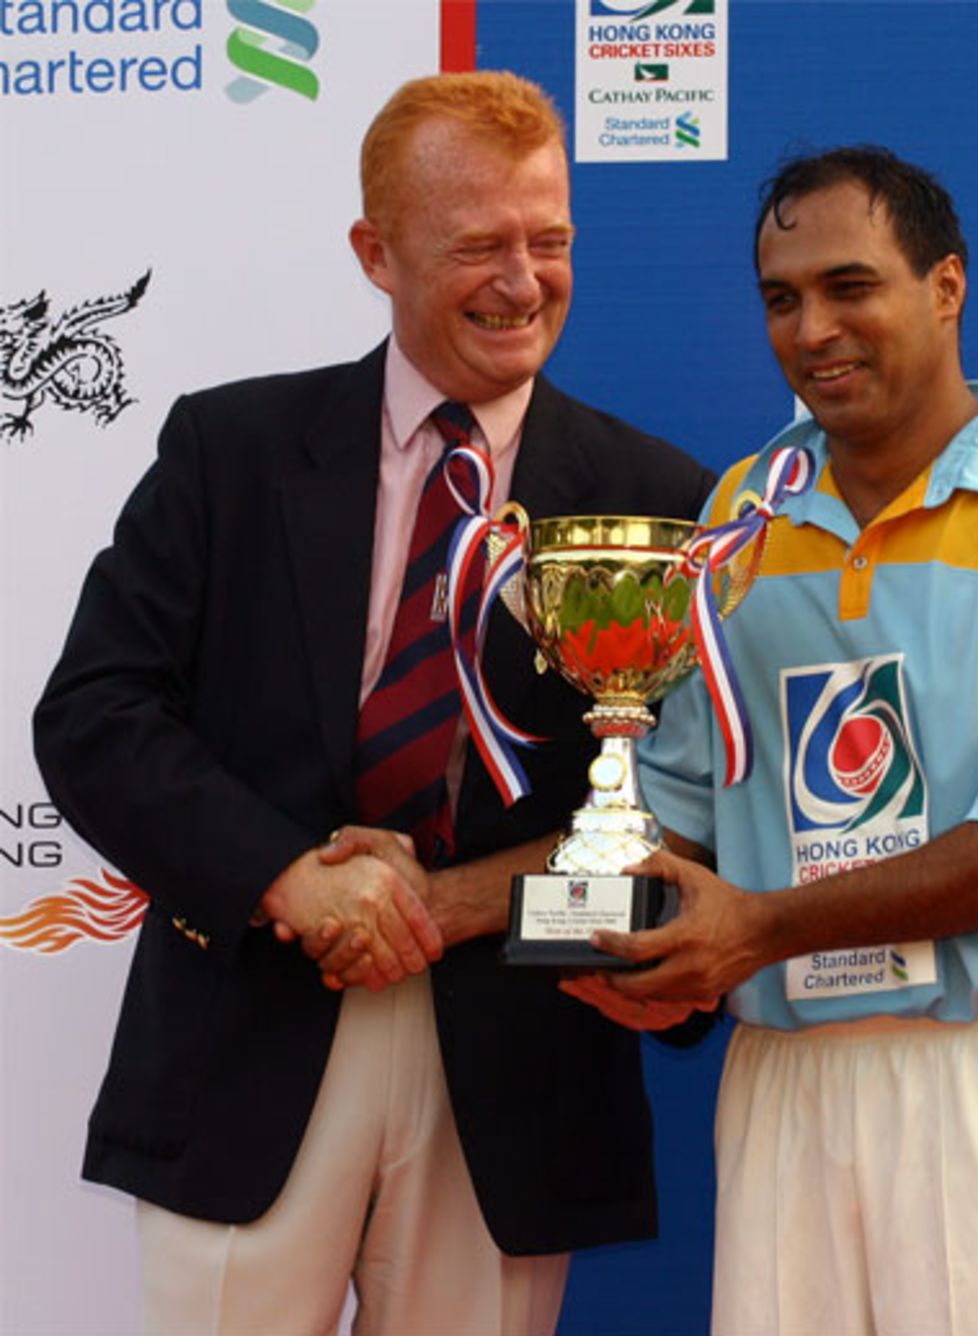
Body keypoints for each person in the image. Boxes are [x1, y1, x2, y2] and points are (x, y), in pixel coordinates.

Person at [33, 70, 715, 1334]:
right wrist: (290, 875)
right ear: (376, 251)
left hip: (517, 1065)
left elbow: (681, 810)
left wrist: (646, 954)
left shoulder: (657, 499)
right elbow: (94, 716)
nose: (524, 282)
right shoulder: (227, 453)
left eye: (549, 241)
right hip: (249, 1033)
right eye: (479, 247)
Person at [562, 146, 978, 1335]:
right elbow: (674, 804)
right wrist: (557, 916)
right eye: (782, 298)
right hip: (790, 1073)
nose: (814, 329)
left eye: (851, 286)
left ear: (946, 286)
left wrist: (757, 925)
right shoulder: (741, 513)